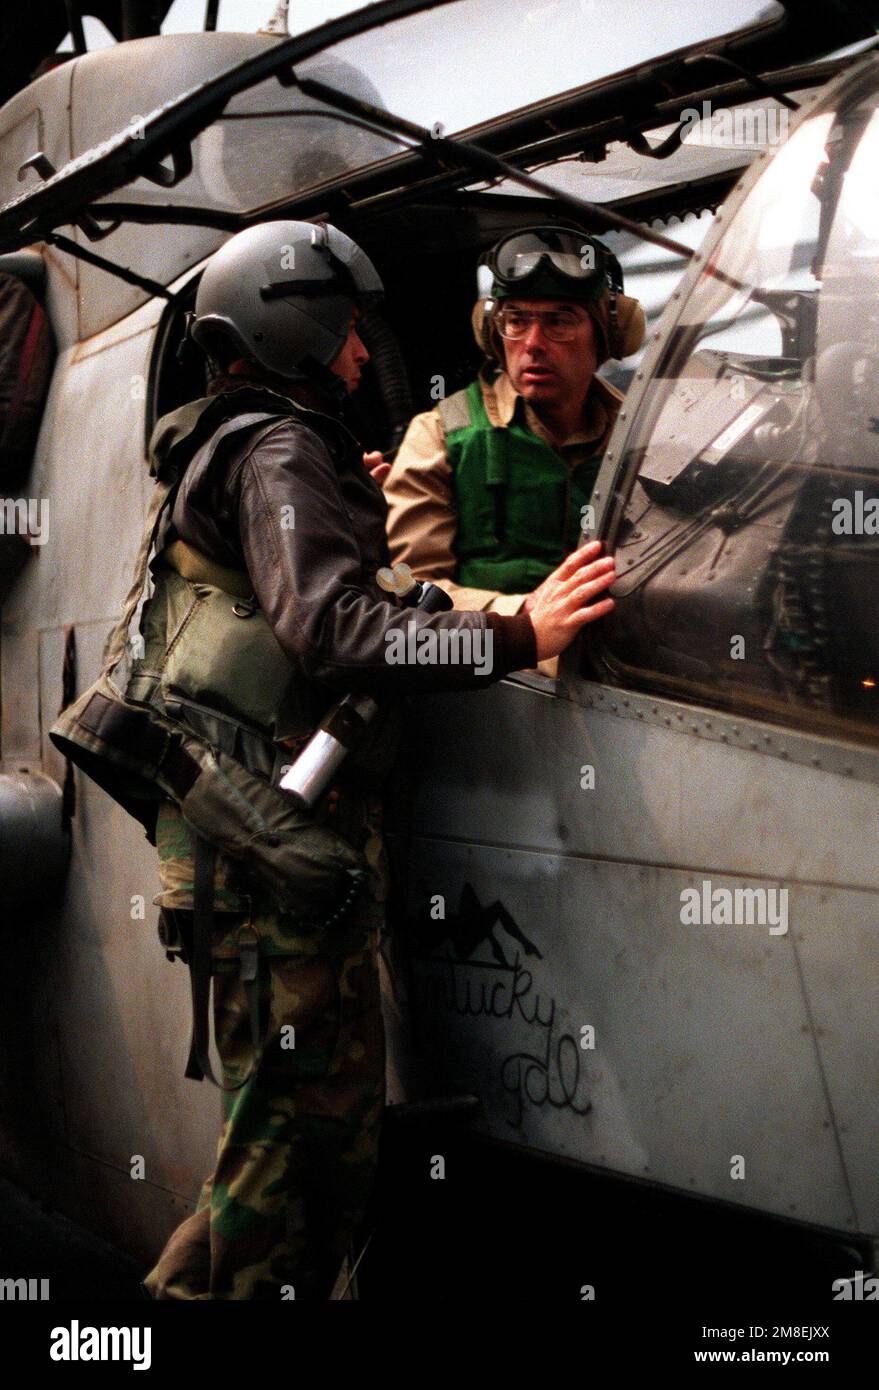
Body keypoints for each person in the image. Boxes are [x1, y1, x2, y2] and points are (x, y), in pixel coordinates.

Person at [53, 220, 618, 1302]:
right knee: (289, 1164)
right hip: (274, 872)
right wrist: (517, 634)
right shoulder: (277, 450)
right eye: (349, 331)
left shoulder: (246, 445)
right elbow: (332, 631)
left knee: (292, 1157)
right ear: (297, 331)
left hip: (257, 859)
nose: (363, 354)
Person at [382, 225, 645, 623]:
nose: (533, 343)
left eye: (560, 321)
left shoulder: (641, 436)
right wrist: (523, 615)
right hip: (495, 657)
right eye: (516, 321)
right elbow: (409, 587)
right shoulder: (441, 435)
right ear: (492, 329)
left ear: (609, 335)